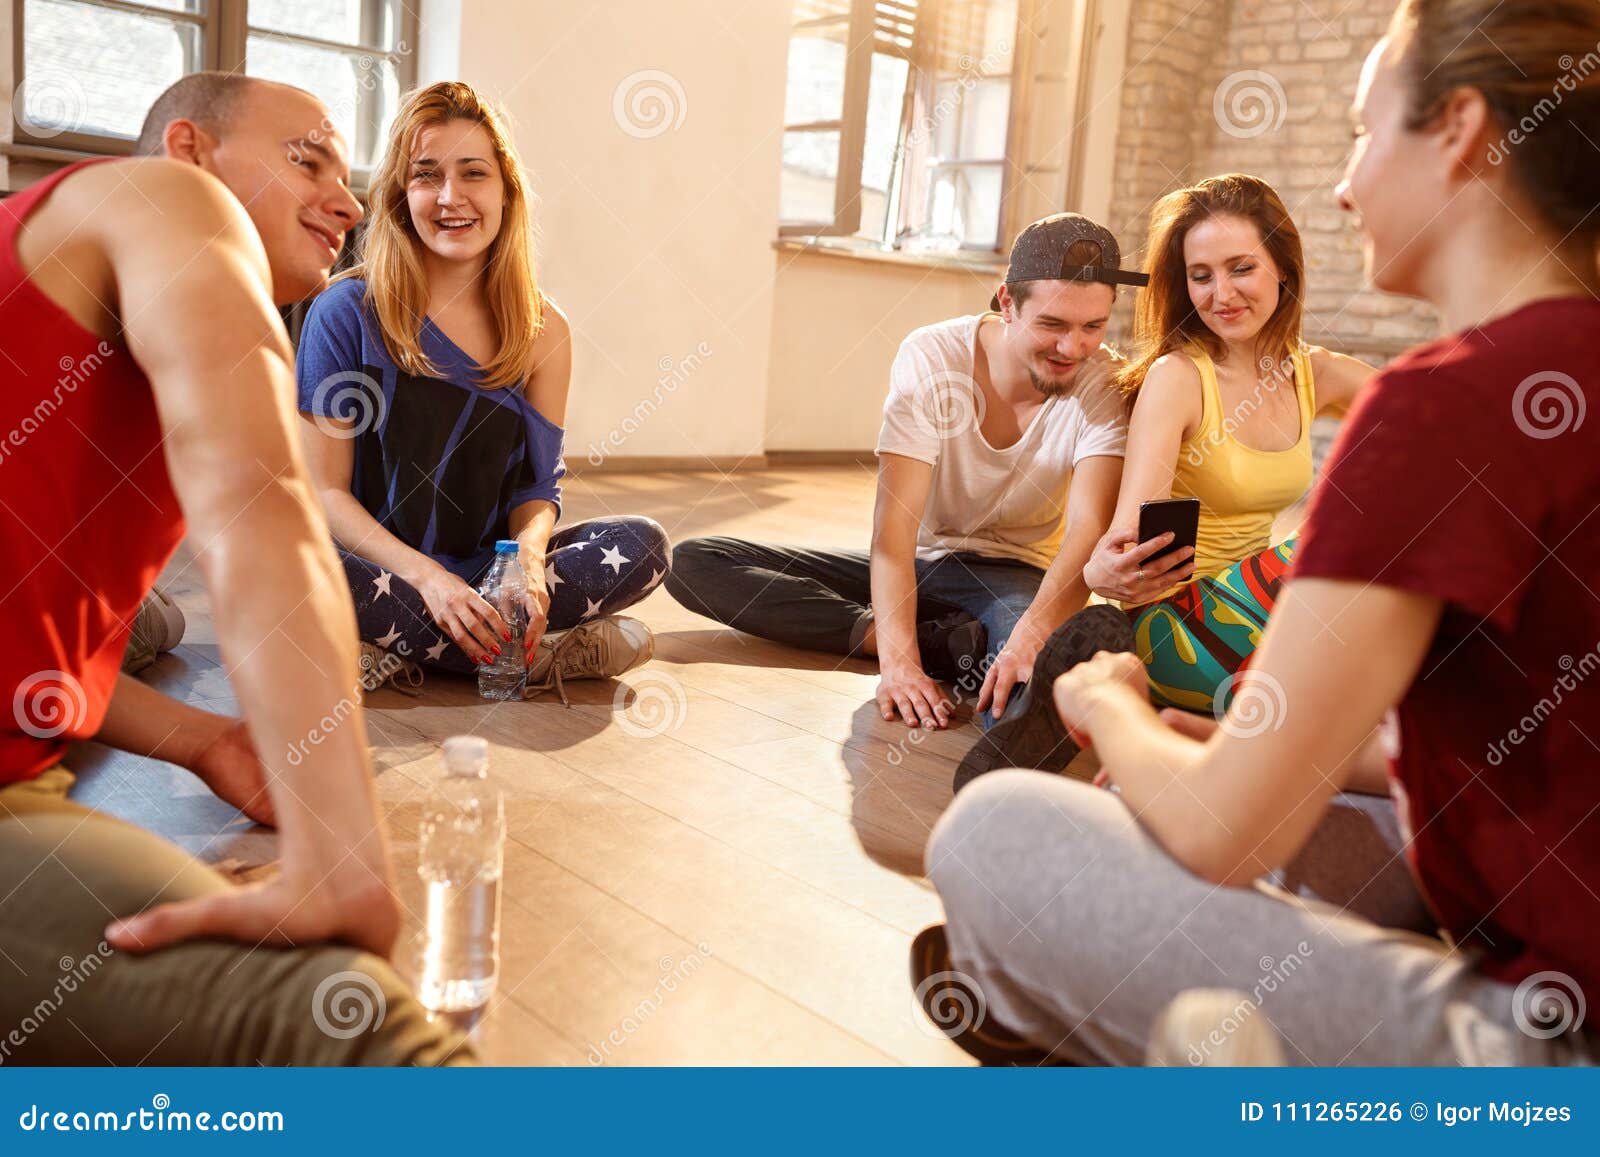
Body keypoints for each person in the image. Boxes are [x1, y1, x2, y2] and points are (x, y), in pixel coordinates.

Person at [921, 0, 1600, 1067]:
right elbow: (1504, 749)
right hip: (1201, 624)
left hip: (1556, 1041)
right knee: (1310, 814)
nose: (1345, 183)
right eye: (1202, 274)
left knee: (992, 834)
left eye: (1363, 131)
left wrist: (1109, 706)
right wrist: (1255, 743)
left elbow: (1226, 833)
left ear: (1461, 131)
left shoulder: (1440, 404)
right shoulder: (1202, 379)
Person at [0, 72, 468, 1065]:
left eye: (348, 175)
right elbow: (263, 507)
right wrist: (338, 856)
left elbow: (25, 642)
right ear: (190, 149)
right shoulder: (167, 196)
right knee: (337, 1019)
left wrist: (206, 739)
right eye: (308, 160)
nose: (348, 202)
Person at [954, 175, 1373, 789]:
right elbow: (1128, 532)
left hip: (1265, 631)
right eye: (1201, 276)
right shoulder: (1178, 377)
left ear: (1283, 268)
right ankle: (1132, 686)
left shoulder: (1315, 373)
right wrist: (1105, 567)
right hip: (1176, 624)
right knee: (1342, 547)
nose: (1221, 293)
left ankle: (1164, 719)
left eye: (1241, 268)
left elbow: (1436, 408)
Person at [667, 214, 1143, 732]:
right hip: (920, 563)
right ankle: (942, 644)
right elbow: (892, 535)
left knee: (1029, 676)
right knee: (695, 562)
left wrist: (1029, 636)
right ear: (1007, 303)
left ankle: (993, 679)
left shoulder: (1105, 383)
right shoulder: (934, 356)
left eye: (1092, 327)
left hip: (1016, 577)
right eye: (1052, 325)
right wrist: (899, 662)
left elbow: (1087, 530)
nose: (1072, 348)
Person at [296, 81, 667, 700]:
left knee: (643, 546)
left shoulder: (544, 330)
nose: (451, 197)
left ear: (506, 191)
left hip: (485, 575)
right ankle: (532, 657)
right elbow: (325, 493)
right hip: (379, 570)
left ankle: (395, 649)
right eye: (426, 175)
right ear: (400, 195)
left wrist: (527, 565)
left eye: (474, 172)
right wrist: (429, 581)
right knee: (288, 559)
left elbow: (536, 488)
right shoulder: (346, 310)